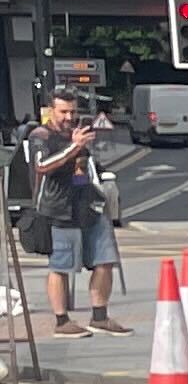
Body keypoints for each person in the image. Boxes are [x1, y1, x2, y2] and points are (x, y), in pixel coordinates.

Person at [23, 90, 121, 336]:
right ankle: (62, 321)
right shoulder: (40, 135)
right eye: (63, 111)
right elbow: (41, 166)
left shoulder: (77, 133)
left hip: (86, 207)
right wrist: (72, 148)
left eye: (73, 111)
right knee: (61, 266)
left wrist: (89, 177)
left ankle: (100, 316)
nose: (69, 117)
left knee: (105, 259)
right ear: (50, 111)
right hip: (58, 209)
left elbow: (83, 167)